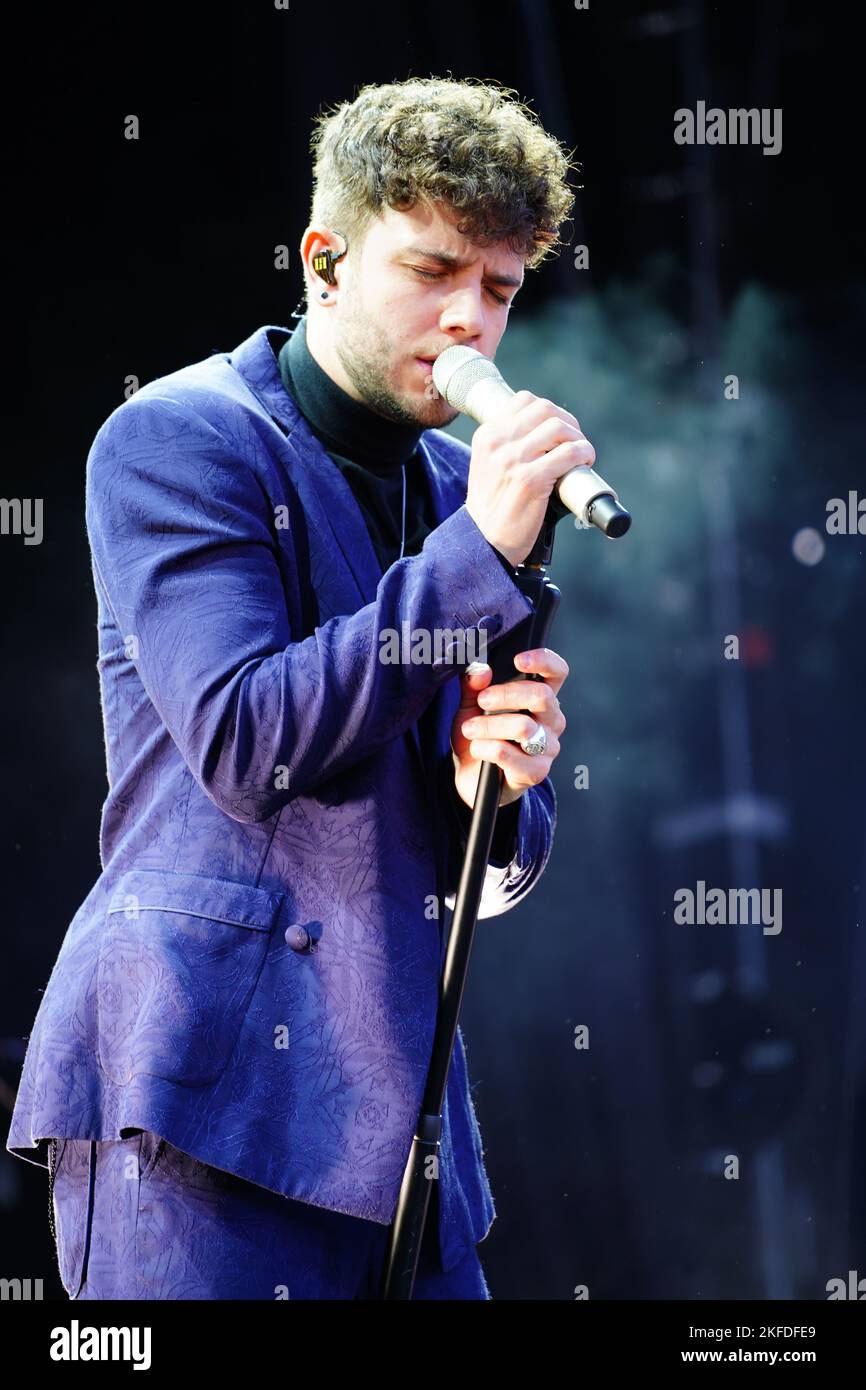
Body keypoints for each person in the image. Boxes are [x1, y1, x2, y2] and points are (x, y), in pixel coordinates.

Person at [7, 76, 594, 1299]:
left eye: (496, 289)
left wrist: (504, 786)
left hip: (404, 1124)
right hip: (202, 1096)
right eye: (431, 270)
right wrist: (478, 554)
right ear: (324, 259)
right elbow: (243, 740)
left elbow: (480, 866)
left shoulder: (463, 488)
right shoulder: (179, 440)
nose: (468, 321)